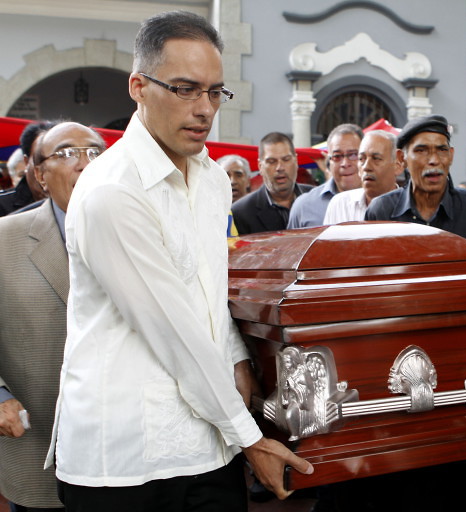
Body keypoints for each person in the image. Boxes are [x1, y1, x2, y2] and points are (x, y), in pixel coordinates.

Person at [45, 11, 312, 512]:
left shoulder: (211, 178)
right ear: (138, 87)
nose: (205, 109)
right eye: (186, 88)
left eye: (215, 92)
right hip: (127, 461)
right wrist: (249, 437)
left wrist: (237, 358)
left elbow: (209, 292)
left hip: (208, 444)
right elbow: (172, 328)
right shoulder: (112, 191)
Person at [0, 121, 105, 512]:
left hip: (124, 456)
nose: (84, 163)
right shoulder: (5, 238)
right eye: (66, 153)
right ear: (40, 175)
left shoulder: (136, 235)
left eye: (95, 152)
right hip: (39, 445)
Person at [365, 115, 466, 249]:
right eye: (422, 151)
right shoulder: (381, 212)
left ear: (451, 155)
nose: (434, 160)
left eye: (442, 150)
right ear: (402, 158)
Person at [232, 132, 313, 234]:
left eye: (286, 160)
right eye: (272, 161)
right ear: (260, 166)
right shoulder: (241, 212)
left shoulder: (317, 198)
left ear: (296, 161)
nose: (280, 168)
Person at [287, 123, 363, 228]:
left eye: (353, 154)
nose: (345, 163)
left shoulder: (382, 202)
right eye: (337, 156)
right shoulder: (304, 206)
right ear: (328, 162)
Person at [323, 130, 403, 224]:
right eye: (361, 159)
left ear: (397, 165)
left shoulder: (409, 209)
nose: (366, 167)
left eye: (376, 159)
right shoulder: (340, 205)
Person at [0, 122, 53, 216]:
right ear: (26, 161)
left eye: (61, 156)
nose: (48, 166)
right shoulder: (3, 206)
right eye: (40, 159)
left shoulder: (80, 202)